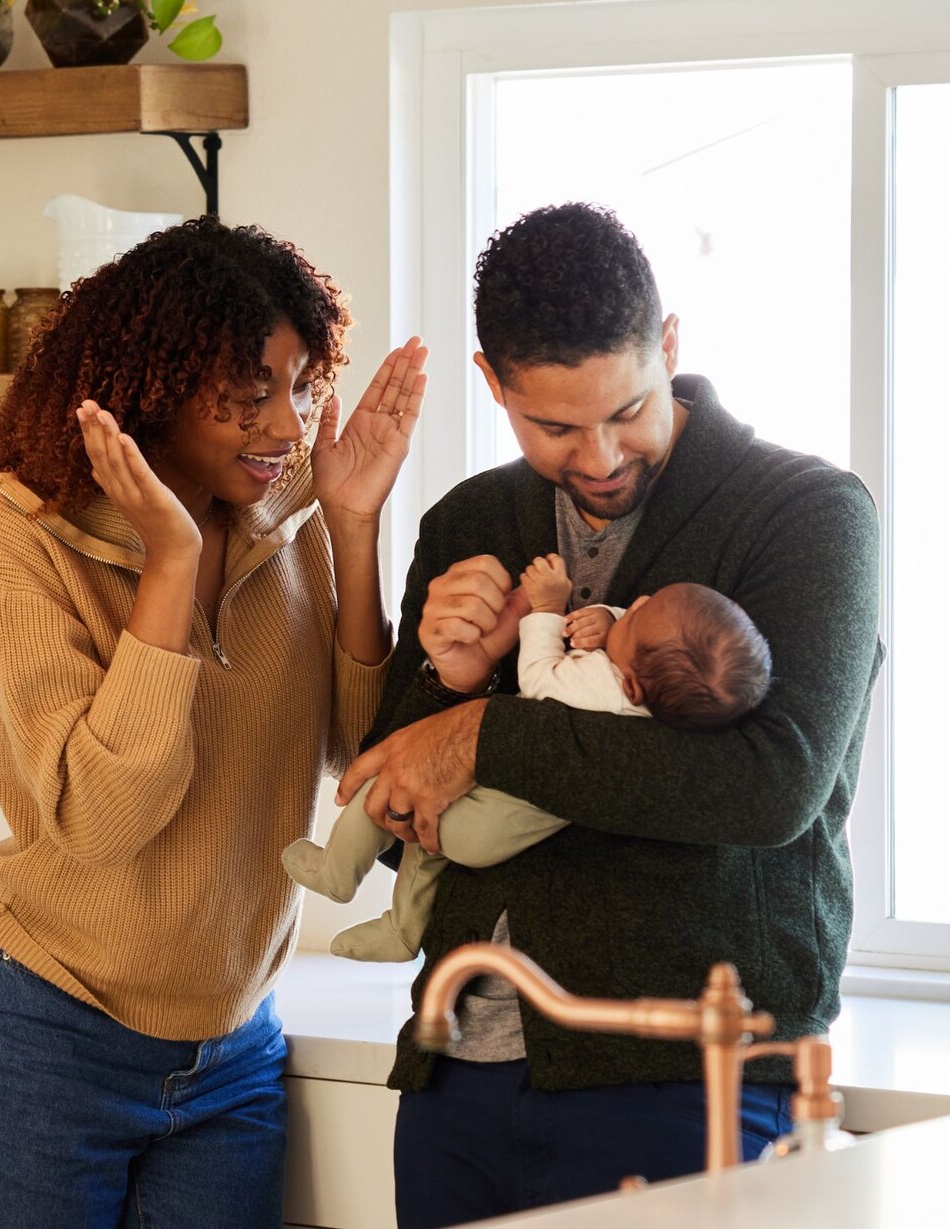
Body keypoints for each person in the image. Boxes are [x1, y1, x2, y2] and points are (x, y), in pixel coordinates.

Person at [337, 203, 884, 1228]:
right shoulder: (467, 520)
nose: (597, 455)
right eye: (553, 425)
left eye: (626, 408)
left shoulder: (804, 516)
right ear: (492, 383)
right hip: (456, 1061)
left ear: (667, 346)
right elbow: (390, 810)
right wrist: (449, 683)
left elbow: (769, 785)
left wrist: (486, 732)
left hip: (685, 1066)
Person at [0, 216, 422, 1228]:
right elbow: (101, 815)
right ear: (157, 387)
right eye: (247, 396)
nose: (287, 426)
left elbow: (371, 770)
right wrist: (171, 562)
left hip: (233, 1056)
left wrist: (353, 527)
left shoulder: (289, 518)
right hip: (39, 1038)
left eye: (300, 386)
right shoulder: (23, 534)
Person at [283, 553, 771, 961]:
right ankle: (404, 931)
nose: (636, 602)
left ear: (631, 684)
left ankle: (336, 874)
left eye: (637, 616)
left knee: (388, 787)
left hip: (485, 824)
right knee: (425, 843)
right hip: (494, 828)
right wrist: (612, 621)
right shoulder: (645, 700)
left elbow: (540, 677)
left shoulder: (602, 687)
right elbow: (629, 641)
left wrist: (547, 608)